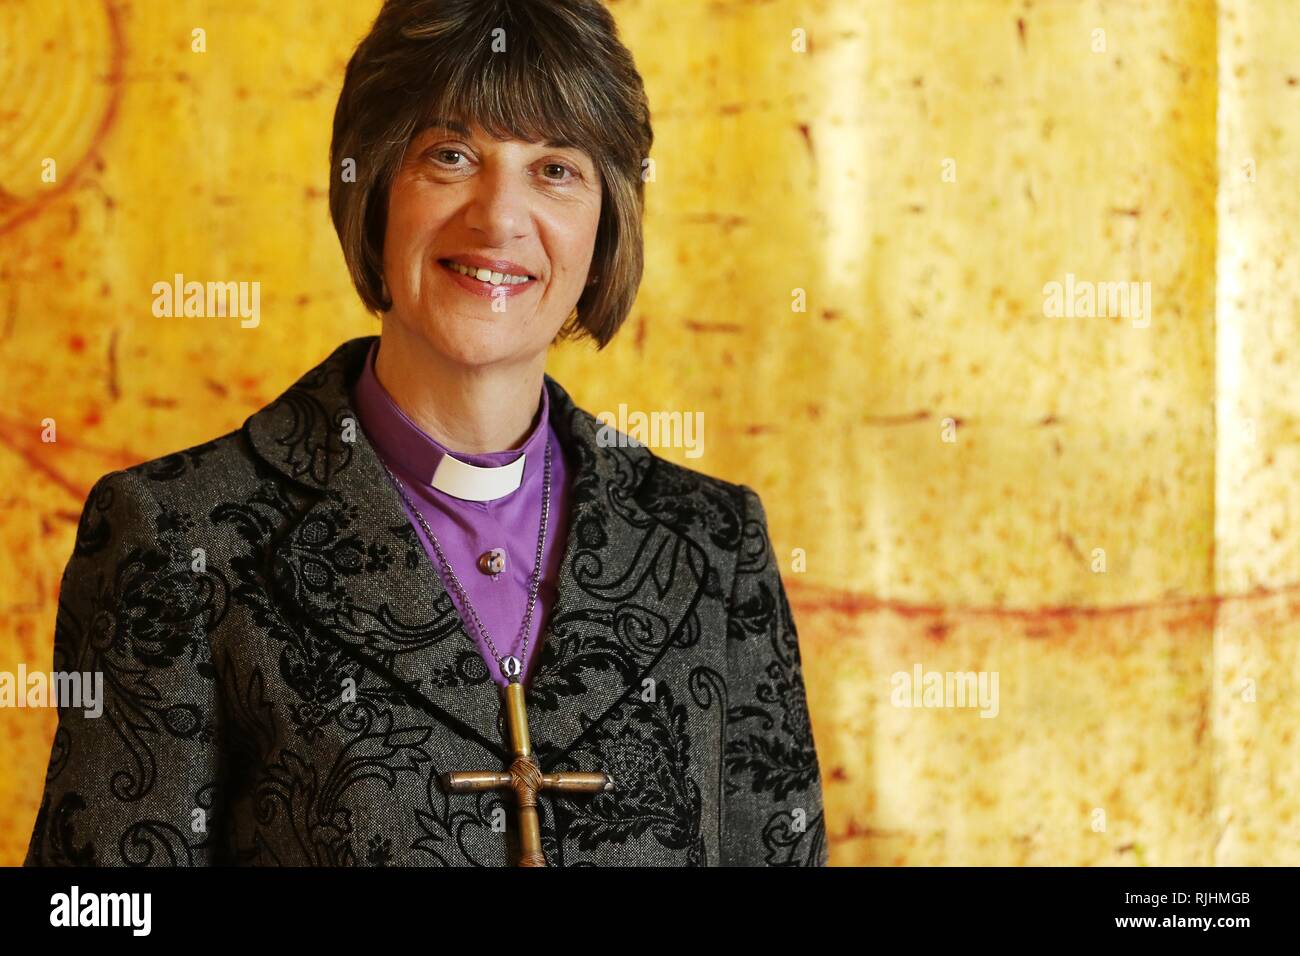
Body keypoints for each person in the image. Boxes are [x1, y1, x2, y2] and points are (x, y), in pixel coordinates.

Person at [24, 0, 828, 866]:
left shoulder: (714, 546)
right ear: (372, 191)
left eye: (555, 169)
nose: (498, 218)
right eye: (450, 156)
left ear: (606, 225)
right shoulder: (180, 536)